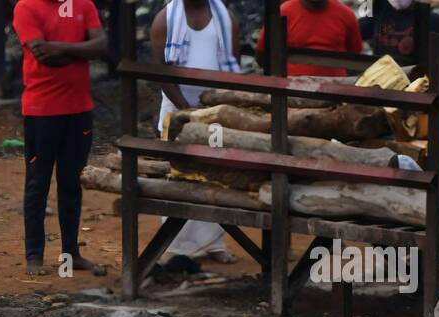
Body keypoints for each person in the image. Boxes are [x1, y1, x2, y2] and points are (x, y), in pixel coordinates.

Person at [12, 0, 108, 277]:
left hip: (79, 111)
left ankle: (71, 253)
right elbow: (43, 56)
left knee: (71, 183)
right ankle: (34, 255)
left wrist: (60, 48)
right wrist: (81, 52)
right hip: (42, 111)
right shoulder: (26, 7)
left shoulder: (85, 4)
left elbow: (101, 47)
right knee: (37, 183)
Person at [151, 0, 242, 267]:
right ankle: (175, 245)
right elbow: (160, 71)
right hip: (176, 106)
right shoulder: (164, 19)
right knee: (178, 174)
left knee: (213, 175)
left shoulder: (226, 18)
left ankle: (213, 243)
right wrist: (186, 110)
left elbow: (232, 66)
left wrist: (214, 107)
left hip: (215, 108)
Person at [255, 0, 364, 77]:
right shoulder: (284, 12)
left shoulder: (346, 15)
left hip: (335, 93)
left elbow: (355, 58)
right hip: (292, 92)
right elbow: (262, 54)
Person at [359, 0, 439, 66]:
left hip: (418, 94)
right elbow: (352, 32)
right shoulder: (378, 16)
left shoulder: (430, 19)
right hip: (383, 86)